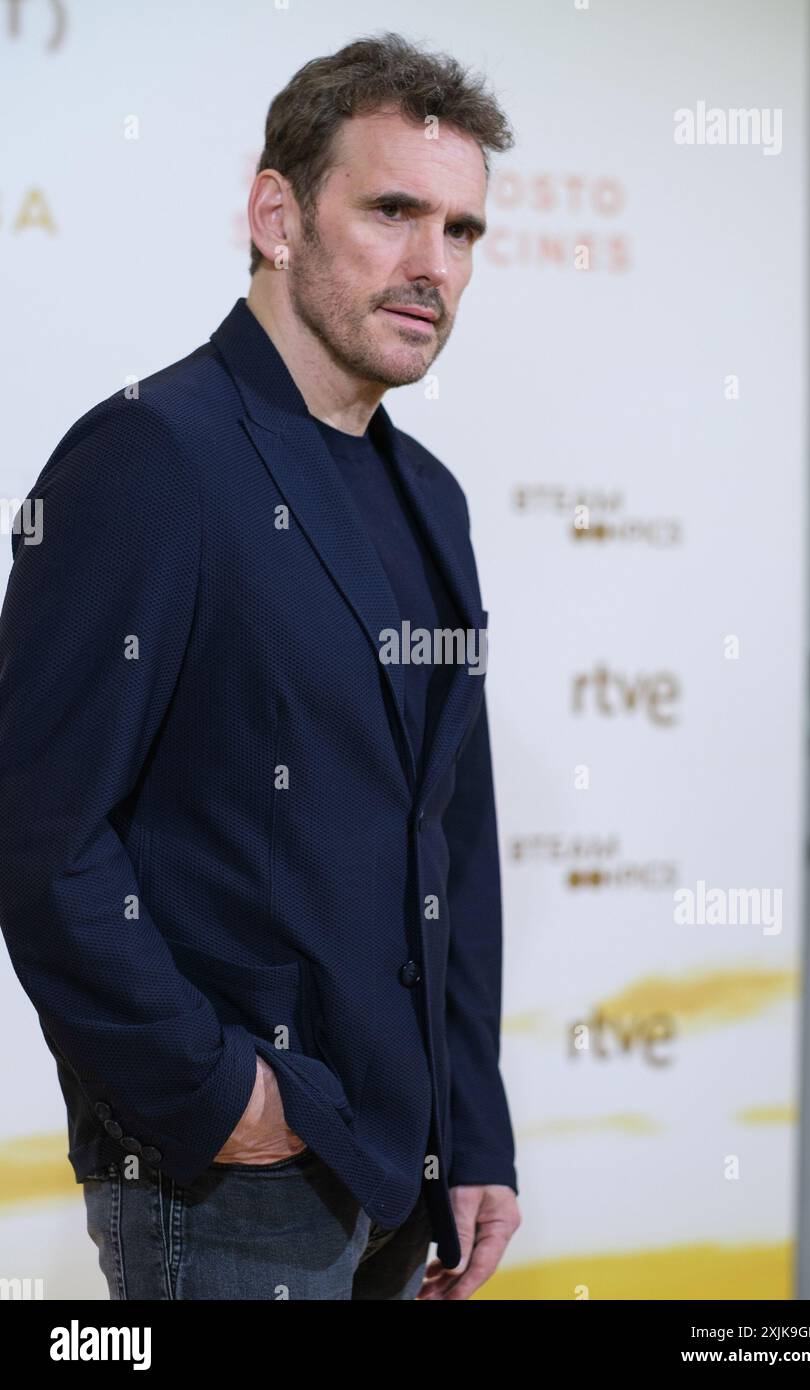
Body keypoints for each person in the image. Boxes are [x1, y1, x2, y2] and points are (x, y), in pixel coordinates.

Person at [0, 31, 520, 1301]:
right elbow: (36, 828)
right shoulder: (145, 459)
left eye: (459, 231)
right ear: (275, 213)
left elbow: (447, 833)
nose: (429, 266)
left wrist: (473, 1129)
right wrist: (220, 1092)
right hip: (228, 1186)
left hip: (400, 1171)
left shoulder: (430, 501)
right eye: (393, 210)